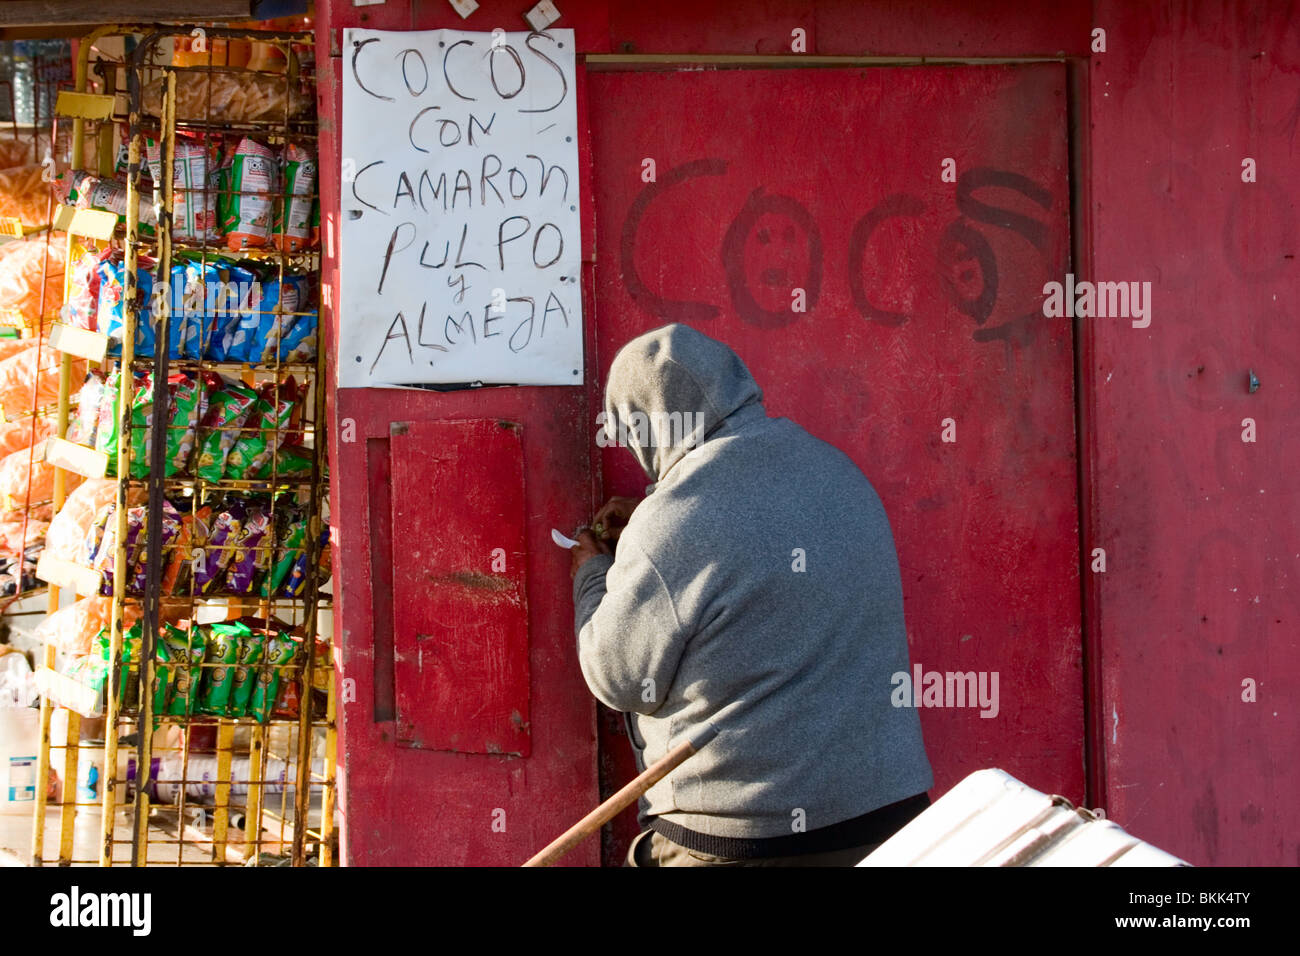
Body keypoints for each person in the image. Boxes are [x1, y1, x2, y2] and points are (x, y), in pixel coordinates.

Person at [569, 323, 933, 867]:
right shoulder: (837, 469)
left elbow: (618, 677)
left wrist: (593, 571)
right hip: (890, 824)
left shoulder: (671, 520)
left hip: (744, 839)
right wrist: (650, 528)